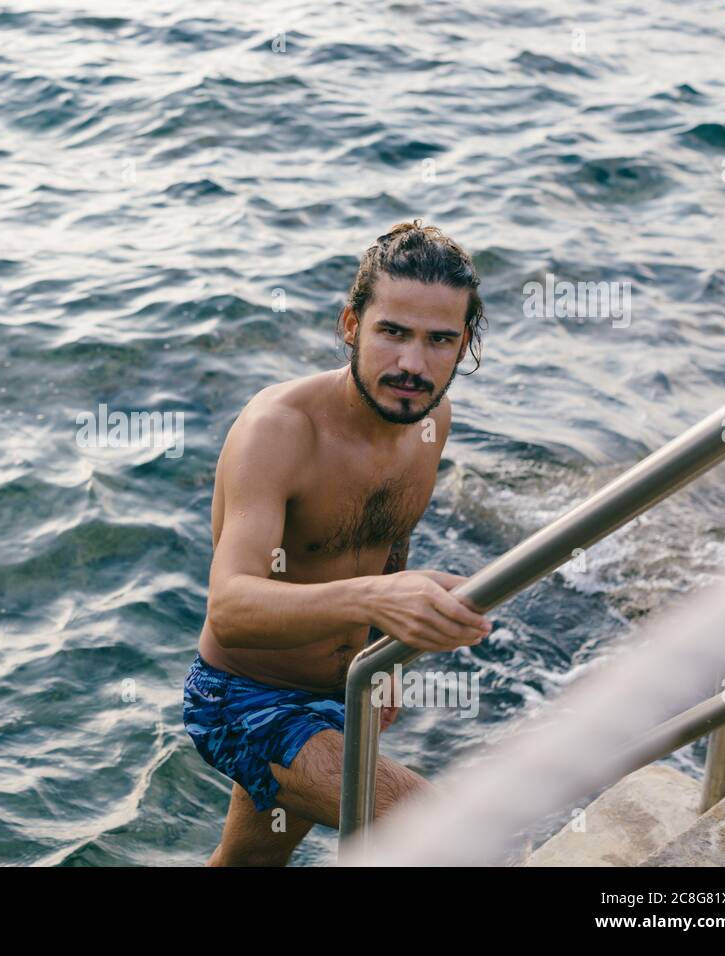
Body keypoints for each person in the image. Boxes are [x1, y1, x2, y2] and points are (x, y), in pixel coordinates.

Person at [182, 220, 494, 866]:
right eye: (393, 333)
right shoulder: (279, 430)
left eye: (439, 340)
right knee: (444, 834)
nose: (413, 364)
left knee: (248, 865)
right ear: (351, 326)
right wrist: (379, 600)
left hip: (341, 691)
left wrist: (382, 659)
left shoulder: (431, 419)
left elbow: (389, 537)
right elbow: (229, 607)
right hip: (244, 696)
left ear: (463, 344)